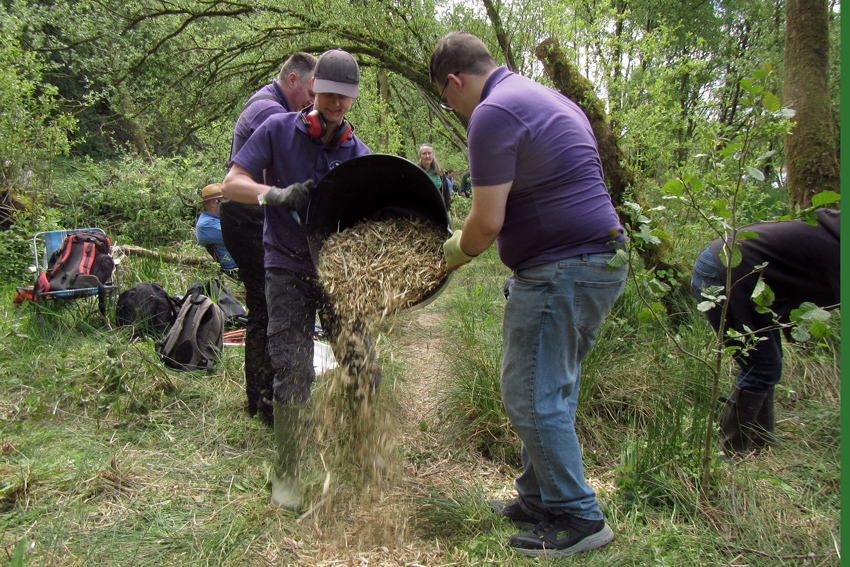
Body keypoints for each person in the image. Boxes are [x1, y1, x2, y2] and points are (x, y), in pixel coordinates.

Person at [430, 32, 626, 558]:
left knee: (530, 396)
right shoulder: (543, 96)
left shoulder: (493, 112)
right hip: (596, 262)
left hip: (563, 268)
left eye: (448, 97)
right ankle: (538, 496)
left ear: (455, 79)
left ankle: (579, 517)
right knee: (550, 388)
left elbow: (485, 223)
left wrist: (442, 257)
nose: (455, 107)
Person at [222, 48, 375, 511]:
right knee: (293, 369)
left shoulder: (357, 153)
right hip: (285, 264)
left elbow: (373, 214)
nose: (336, 104)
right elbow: (232, 184)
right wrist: (274, 193)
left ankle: (365, 458)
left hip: (335, 271)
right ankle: (287, 474)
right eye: (329, 94)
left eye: (346, 97)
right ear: (313, 89)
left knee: (362, 361)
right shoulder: (276, 130)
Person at [690, 209, 840, 458]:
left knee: (768, 365)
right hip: (726, 269)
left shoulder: (834, 233)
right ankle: (731, 457)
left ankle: (760, 447)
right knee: (761, 367)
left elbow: (797, 273)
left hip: (736, 269)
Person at [220, 52, 318, 426]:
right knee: (267, 308)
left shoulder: (265, 100)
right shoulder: (271, 114)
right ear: (292, 79)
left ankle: (258, 399)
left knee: (262, 307)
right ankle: (264, 401)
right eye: (310, 92)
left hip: (245, 214)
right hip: (246, 216)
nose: (311, 102)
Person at [195, 183, 237, 273]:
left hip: (245, 261)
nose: (229, 203)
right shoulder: (206, 224)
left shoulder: (217, 218)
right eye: (225, 200)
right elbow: (239, 235)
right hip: (236, 267)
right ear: (214, 203)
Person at [416, 143, 452, 211]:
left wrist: (447, 207)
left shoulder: (439, 171)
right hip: (421, 209)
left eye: (429, 153)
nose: (427, 156)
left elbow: (446, 191)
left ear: (433, 155)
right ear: (419, 156)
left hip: (438, 208)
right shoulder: (416, 171)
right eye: (424, 153)